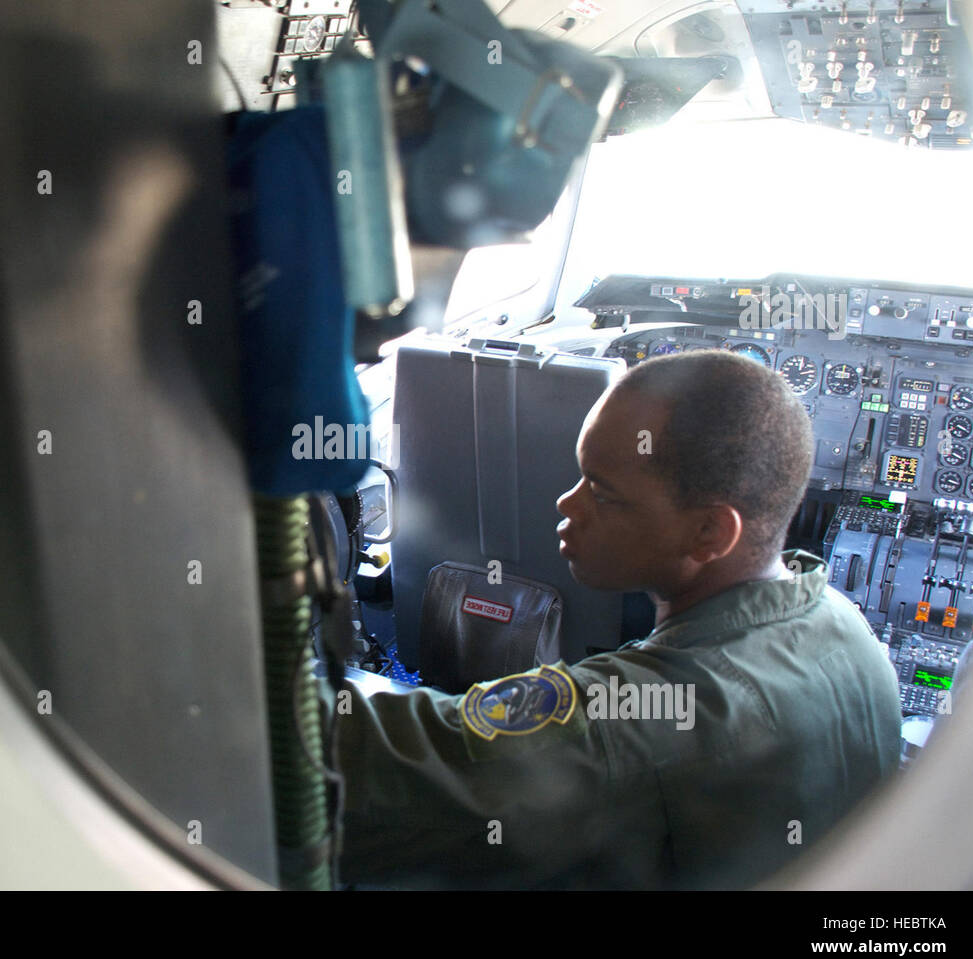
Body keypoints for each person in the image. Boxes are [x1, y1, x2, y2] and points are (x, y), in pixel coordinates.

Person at [330, 349, 902, 888]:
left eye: (602, 494)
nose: (566, 504)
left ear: (710, 533)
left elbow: (361, 772)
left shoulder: (642, 726)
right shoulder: (843, 621)